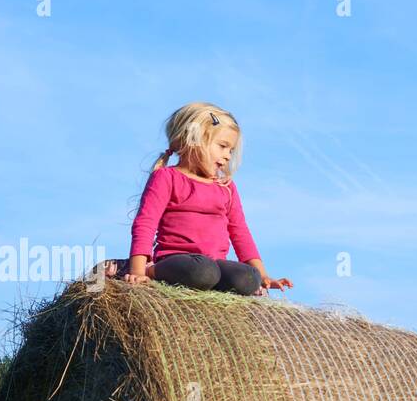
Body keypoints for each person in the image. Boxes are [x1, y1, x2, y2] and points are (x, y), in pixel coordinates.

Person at [123, 102, 291, 296]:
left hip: (214, 265)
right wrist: (137, 271)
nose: (228, 156)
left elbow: (240, 231)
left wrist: (263, 276)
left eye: (231, 150)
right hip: (178, 261)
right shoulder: (167, 177)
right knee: (203, 271)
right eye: (223, 146)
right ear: (194, 139)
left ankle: (231, 279)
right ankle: (151, 271)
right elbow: (146, 223)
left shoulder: (226, 188)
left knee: (248, 278)